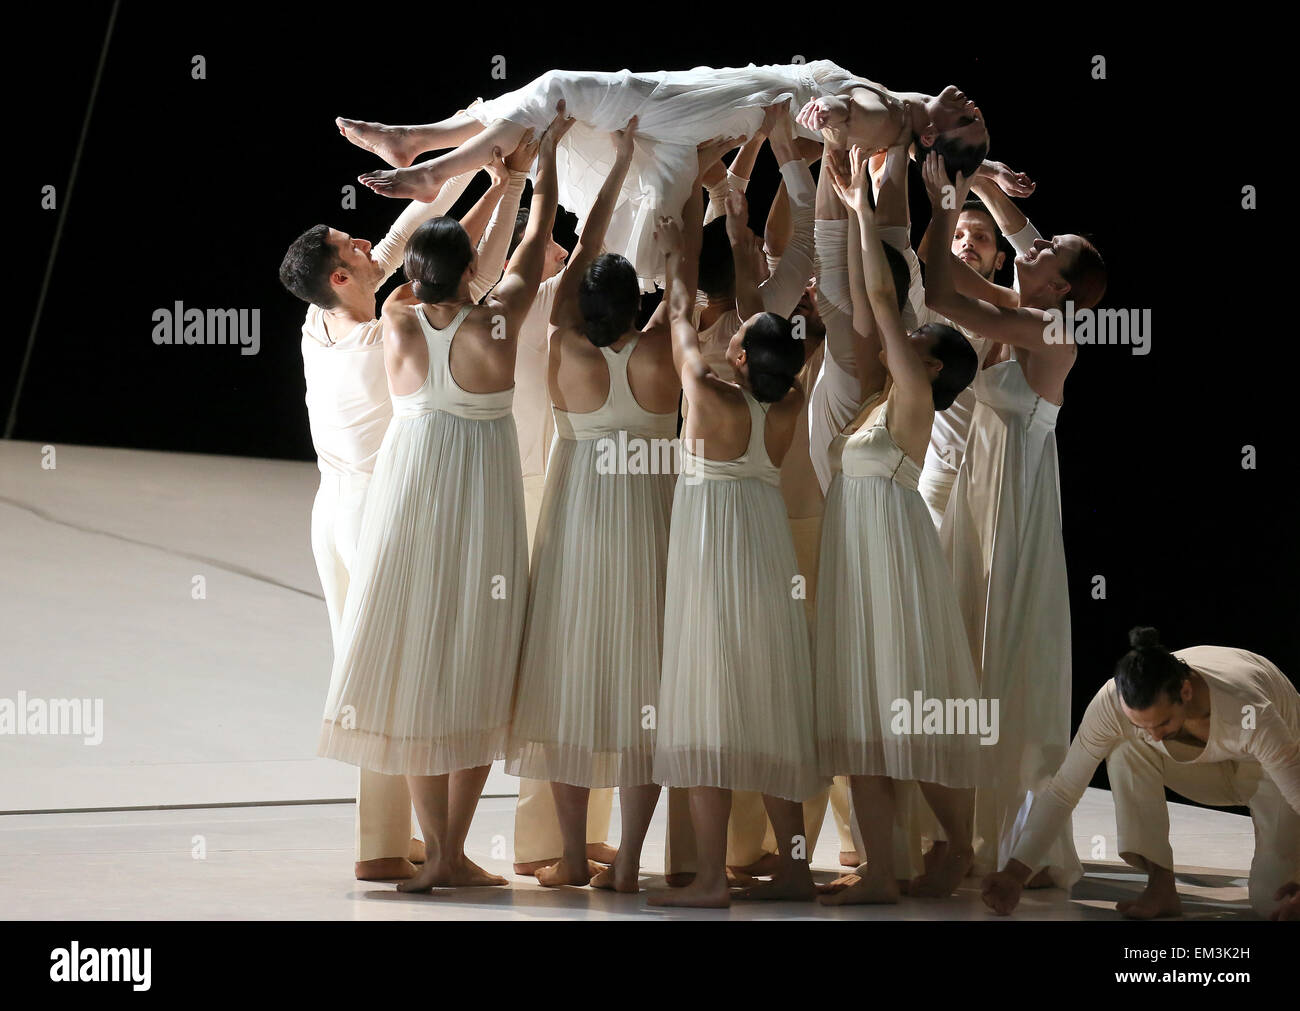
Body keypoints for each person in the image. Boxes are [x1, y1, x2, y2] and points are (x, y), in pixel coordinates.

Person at [317, 102, 573, 892]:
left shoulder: (389, 321)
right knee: (476, 667)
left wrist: (490, 184)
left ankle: (432, 850)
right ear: (469, 276)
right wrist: (527, 177)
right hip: (478, 505)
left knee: (419, 679)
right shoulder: (494, 321)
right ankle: (452, 851)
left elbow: (461, 262)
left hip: (406, 501)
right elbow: (522, 255)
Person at [279, 139, 525, 881]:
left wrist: (470, 174)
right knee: (411, 667)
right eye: (350, 243)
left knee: (375, 674)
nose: (366, 239)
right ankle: (415, 846)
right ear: (343, 275)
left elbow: (409, 245)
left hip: (330, 515)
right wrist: (505, 184)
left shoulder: (318, 322)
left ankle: (384, 844)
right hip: (371, 511)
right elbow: (456, 267)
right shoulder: (385, 332)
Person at [334, 62, 1000, 286]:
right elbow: (913, 138)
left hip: (708, 108)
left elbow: (851, 120)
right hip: (714, 100)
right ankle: (427, 151)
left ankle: (427, 155)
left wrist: (831, 115)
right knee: (548, 100)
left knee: (563, 87)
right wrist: (985, 167)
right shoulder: (907, 111)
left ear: (936, 136)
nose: (973, 107)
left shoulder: (882, 117)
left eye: (970, 122)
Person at [922, 151, 1107, 887]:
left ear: (1061, 286)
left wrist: (946, 195)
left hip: (1016, 508)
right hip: (977, 492)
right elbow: (1003, 239)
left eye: (1047, 252)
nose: (1032, 245)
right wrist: (980, 177)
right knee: (962, 646)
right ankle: (958, 826)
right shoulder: (1020, 299)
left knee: (1007, 657)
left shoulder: (1047, 332)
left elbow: (942, 287)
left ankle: (1005, 840)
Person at [506, 119, 681, 892]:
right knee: (647, 692)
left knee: (573, 686)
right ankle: (632, 861)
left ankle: (576, 853)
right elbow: (688, 291)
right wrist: (682, 222)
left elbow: (578, 256)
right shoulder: (660, 353)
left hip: (579, 523)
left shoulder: (563, 347)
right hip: (647, 527)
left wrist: (599, 170)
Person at [648, 181, 821, 909]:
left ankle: (713, 877)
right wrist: (741, 234)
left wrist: (684, 236)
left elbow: (683, 318)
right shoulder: (791, 399)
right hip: (764, 549)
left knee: (707, 708)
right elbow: (759, 320)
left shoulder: (708, 395)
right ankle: (795, 866)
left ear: (743, 360)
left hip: (714, 554)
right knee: (770, 709)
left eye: (742, 340)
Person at [814, 145, 980, 904]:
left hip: (890, 560)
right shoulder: (889, 396)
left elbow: (883, 302)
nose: (903, 337)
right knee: (869, 727)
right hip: (862, 558)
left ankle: (958, 847)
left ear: (936, 365)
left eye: (918, 342)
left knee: (903, 719)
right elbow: (869, 304)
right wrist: (855, 223)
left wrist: (858, 212)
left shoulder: (914, 394)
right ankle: (883, 869)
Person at [983, 628, 1300, 921]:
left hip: (1270, 772)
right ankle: (1161, 886)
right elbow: (1064, 790)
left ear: (1185, 691)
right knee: (1124, 747)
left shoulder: (1249, 710)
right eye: (1143, 725)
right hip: (1206, 767)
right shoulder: (1112, 704)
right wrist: (1015, 872)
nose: (1156, 736)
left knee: (1274, 903)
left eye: (1162, 723)